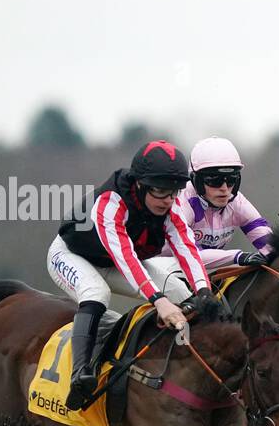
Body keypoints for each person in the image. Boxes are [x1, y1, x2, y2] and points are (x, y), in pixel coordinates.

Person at [48, 139, 212, 409]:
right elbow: (125, 258)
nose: (168, 200)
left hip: (118, 261)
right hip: (71, 256)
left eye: (174, 192)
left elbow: (188, 250)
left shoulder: (170, 207)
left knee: (181, 294)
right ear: (140, 184)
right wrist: (158, 301)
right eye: (160, 191)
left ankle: (188, 370)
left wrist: (204, 291)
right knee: (96, 293)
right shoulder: (111, 202)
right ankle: (80, 374)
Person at [159, 136, 279, 273]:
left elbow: (268, 244)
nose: (224, 188)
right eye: (214, 180)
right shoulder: (183, 203)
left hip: (204, 269)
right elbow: (191, 255)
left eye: (231, 180)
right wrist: (238, 256)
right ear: (196, 180)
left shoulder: (236, 201)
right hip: (166, 269)